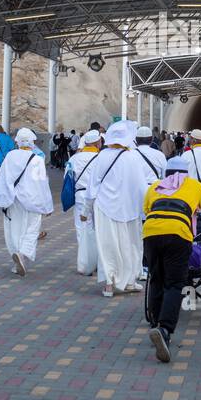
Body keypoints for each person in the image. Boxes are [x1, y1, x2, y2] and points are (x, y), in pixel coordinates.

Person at [143, 154, 201, 362]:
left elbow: (147, 211)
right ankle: (165, 330)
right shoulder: (193, 186)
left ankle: (155, 323)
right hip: (178, 234)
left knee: (156, 278)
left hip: (151, 233)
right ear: (186, 173)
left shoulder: (155, 186)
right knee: (175, 284)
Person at [80, 121, 149, 297]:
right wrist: (147, 209)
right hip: (130, 208)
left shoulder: (102, 156)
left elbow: (92, 186)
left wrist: (85, 211)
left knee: (107, 245)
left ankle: (110, 284)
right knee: (132, 244)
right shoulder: (133, 157)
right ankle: (130, 281)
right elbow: (142, 186)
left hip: (105, 208)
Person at [0, 128, 53, 276]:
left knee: (14, 229)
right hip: (33, 200)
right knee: (32, 228)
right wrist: (47, 206)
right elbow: (42, 183)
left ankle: (17, 258)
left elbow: (2, 179)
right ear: (32, 142)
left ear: (17, 141)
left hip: (13, 200)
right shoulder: (37, 159)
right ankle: (23, 254)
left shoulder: (10, 156)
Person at [67, 129, 104, 280]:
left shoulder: (75, 158)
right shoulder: (101, 158)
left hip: (80, 195)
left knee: (82, 228)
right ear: (96, 143)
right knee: (99, 229)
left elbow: (67, 177)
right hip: (99, 196)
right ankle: (99, 262)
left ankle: (84, 264)